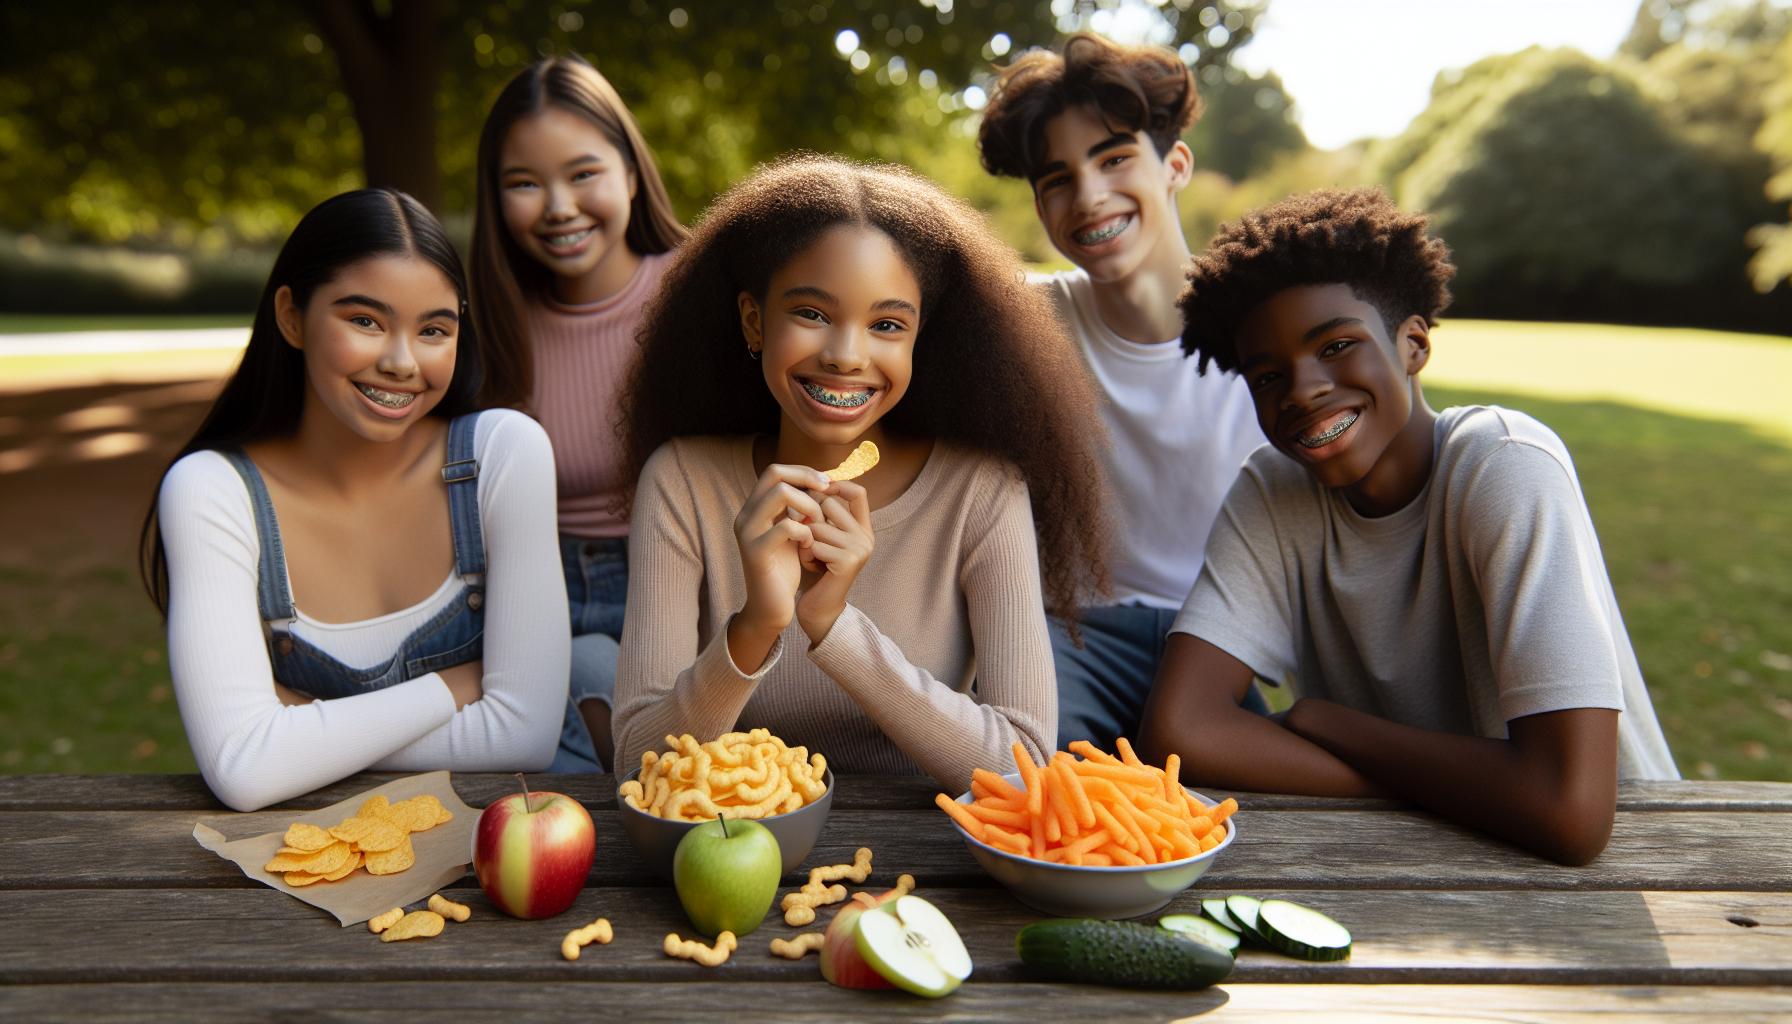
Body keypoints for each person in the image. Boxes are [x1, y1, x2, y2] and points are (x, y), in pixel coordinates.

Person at [1140, 188, 1679, 864]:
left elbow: (1570, 812)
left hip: (1643, 864)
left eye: (1336, 346)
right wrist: (1419, 786)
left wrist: (1322, 723)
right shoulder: (1273, 491)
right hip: (1424, 852)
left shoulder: (1505, 464)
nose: (1303, 390)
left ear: (1414, 344)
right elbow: (1181, 729)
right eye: (1269, 375)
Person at [609, 155, 1110, 788]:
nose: (847, 355)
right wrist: (756, 624)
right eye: (812, 314)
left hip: (930, 864)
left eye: (887, 325)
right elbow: (633, 763)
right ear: (754, 321)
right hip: (735, 844)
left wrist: (833, 626)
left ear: (919, 340)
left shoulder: (981, 492)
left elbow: (1026, 767)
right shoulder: (683, 480)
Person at [140, 189, 567, 811]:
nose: (401, 361)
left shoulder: (502, 454)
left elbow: (524, 737)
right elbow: (243, 768)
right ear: (291, 316)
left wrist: (304, 729)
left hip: (497, 856)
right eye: (365, 320)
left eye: (433, 330)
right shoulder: (213, 490)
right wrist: (454, 688)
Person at [978, 32, 1267, 748]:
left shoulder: (1265, 336)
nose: (1090, 195)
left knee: (1269, 820)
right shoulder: (1022, 324)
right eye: (1057, 179)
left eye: (1113, 159)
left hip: (1215, 646)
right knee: (1032, 782)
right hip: (1064, 635)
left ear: (1175, 165)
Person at [470, 55, 687, 772]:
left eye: (582, 173)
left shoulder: (698, 295)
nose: (558, 206)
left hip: (677, 588)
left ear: (630, 171)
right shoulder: (488, 322)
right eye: (524, 184)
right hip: (533, 593)